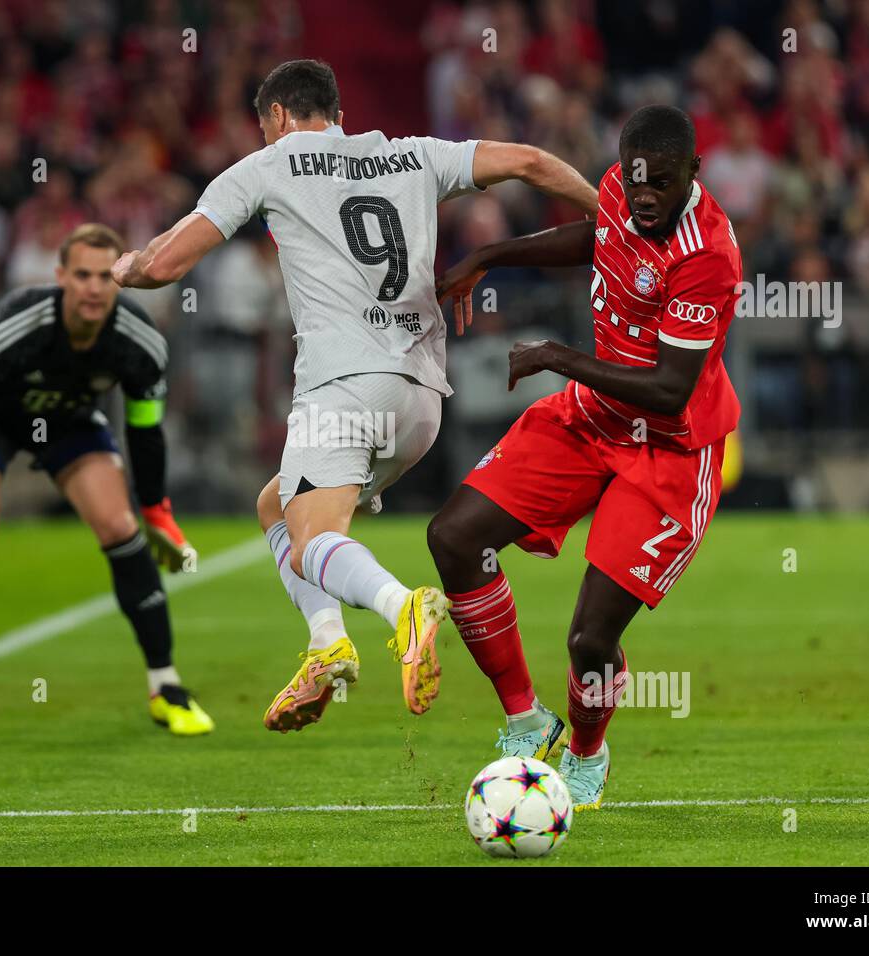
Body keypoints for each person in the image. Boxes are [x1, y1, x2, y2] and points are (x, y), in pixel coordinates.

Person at [111, 59, 597, 733]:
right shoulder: (413, 155)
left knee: (310, 544)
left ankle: (403, 607)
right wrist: (610, 218)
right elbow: (532, 162)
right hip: (422, 400)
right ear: (338, 116)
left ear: (277, 118)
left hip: (343, 387)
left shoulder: (267, 165)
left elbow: (163, 265)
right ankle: (325, 645)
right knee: (276, 505)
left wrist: (120, 269)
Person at [429, 106, 742, 810]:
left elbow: (668, 390)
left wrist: (554, 356)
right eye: (635, 186)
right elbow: (598, 238)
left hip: (668, 453)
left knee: (589, 638)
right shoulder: (622, 192)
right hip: (591, 419)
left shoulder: (709, 254)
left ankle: (587, 752)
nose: (644, 198)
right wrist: (489, 255)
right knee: (453, 537)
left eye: (662, 184)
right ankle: (525, 718)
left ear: (694, 172)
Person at [0, 223, 210, 745]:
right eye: (82, 275)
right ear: (61, 277)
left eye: (106, 276)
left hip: (69, 425)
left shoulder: (140, 343)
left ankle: (166, 689)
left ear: (120, 279)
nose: (94, 287)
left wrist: (155, 510)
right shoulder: (20, 325)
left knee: (119, 525)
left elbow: (144, 431)